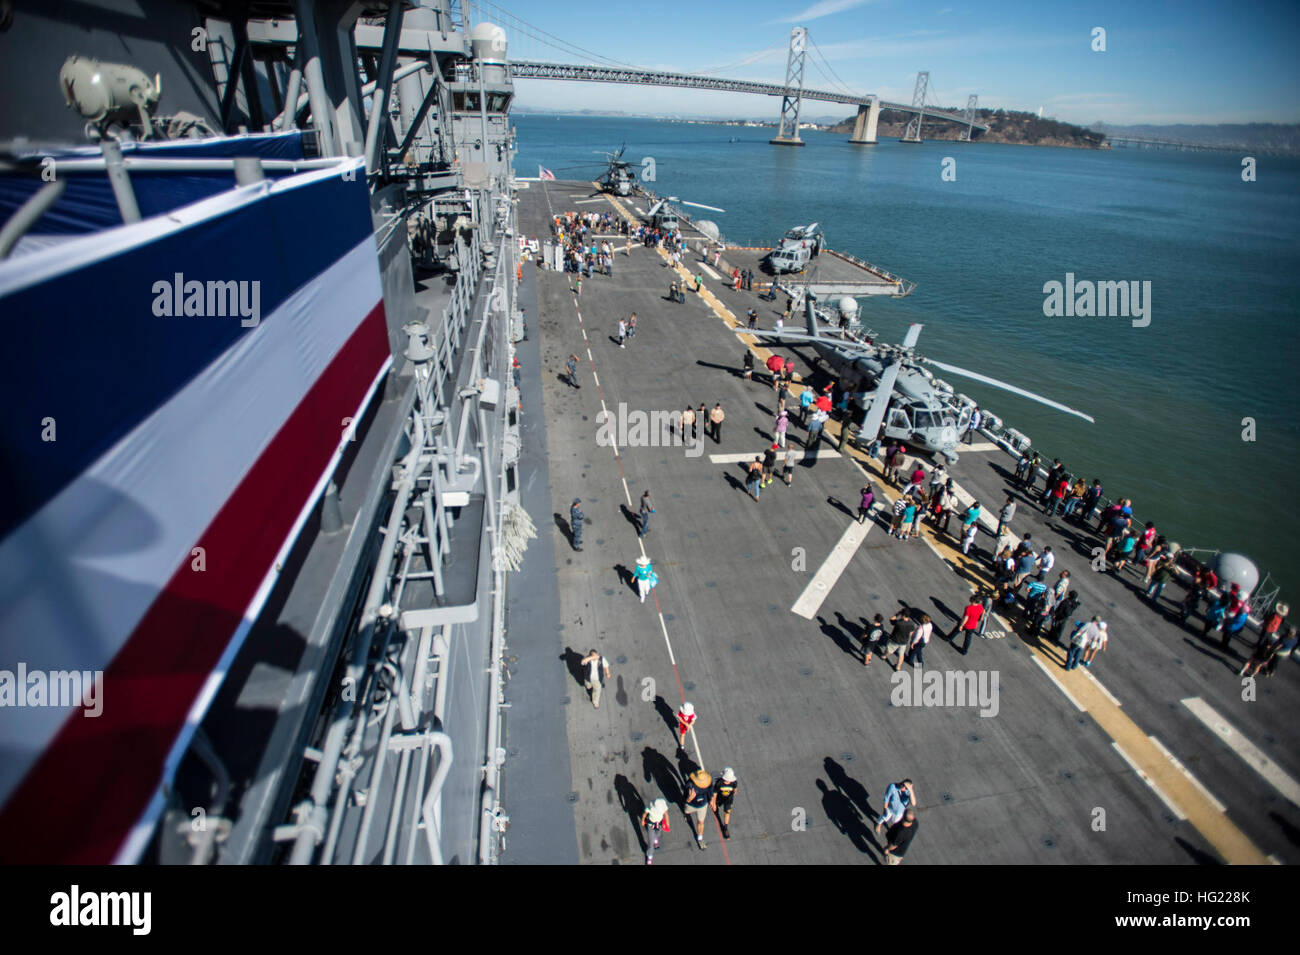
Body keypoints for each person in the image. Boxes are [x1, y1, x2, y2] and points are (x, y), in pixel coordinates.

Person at [683, 769, 712, 850]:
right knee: (686, 811)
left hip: (702, 805)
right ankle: (686, 815)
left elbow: (710, 792)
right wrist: (689, 798)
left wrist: (711, 800)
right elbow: (685, 799)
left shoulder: (708, 783)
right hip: (691, 804)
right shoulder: (689, 785)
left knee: (701, 822)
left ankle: (700, 838)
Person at [640, 797, 670, 865]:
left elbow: (666, 814)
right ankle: (650, 857)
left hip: (659, 823)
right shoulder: (650, 808)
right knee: (651, 844)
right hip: (651, 824)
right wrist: (642, 820)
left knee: (658, 834)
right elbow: (644, 814)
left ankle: (655, 839)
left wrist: (667, 824)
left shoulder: (662, 805)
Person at [712, 768, 740, 839]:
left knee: (727, 813)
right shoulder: (719, 783)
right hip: (719, 798)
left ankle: (725, 827)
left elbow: (735, 790)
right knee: (716, 808)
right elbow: (715, 794)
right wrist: (713, 803)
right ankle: (717, 805)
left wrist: (734, 794)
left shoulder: (734, 782)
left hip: (728, 800)